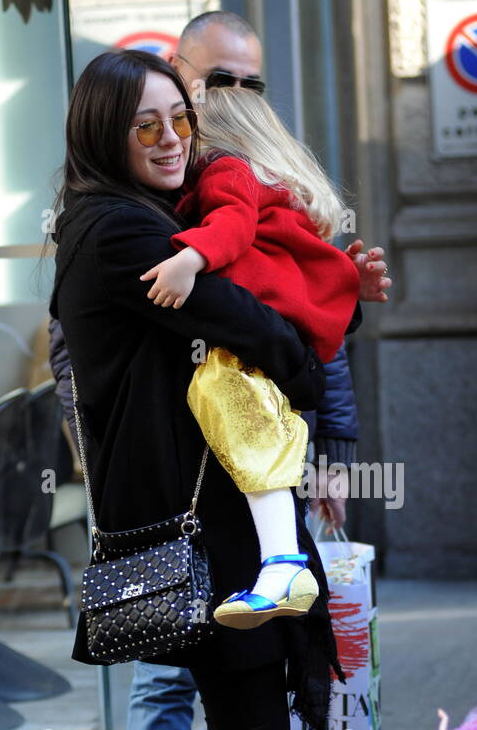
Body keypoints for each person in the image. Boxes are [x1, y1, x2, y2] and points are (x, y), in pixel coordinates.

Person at [49, 12, 386, 730]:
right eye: (147, 123)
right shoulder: (125, 232)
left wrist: (327, 296)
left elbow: (270, 324)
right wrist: (300, 322)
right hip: (184, 528)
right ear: (101, 135)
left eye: (178, 120)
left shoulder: (166, 211)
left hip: (213, 521)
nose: (172, 136)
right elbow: (266, 337)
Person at [140, 84, 361, 627]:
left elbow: (232, 226)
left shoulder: (225, 169)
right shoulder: (267, 177)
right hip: (288, 323)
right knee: (258, 420)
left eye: (184, 127)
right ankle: (283, 560)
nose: (174, 141)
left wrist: (190, 260)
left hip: (266, 320)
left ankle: (282, 561)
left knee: (221, 393)